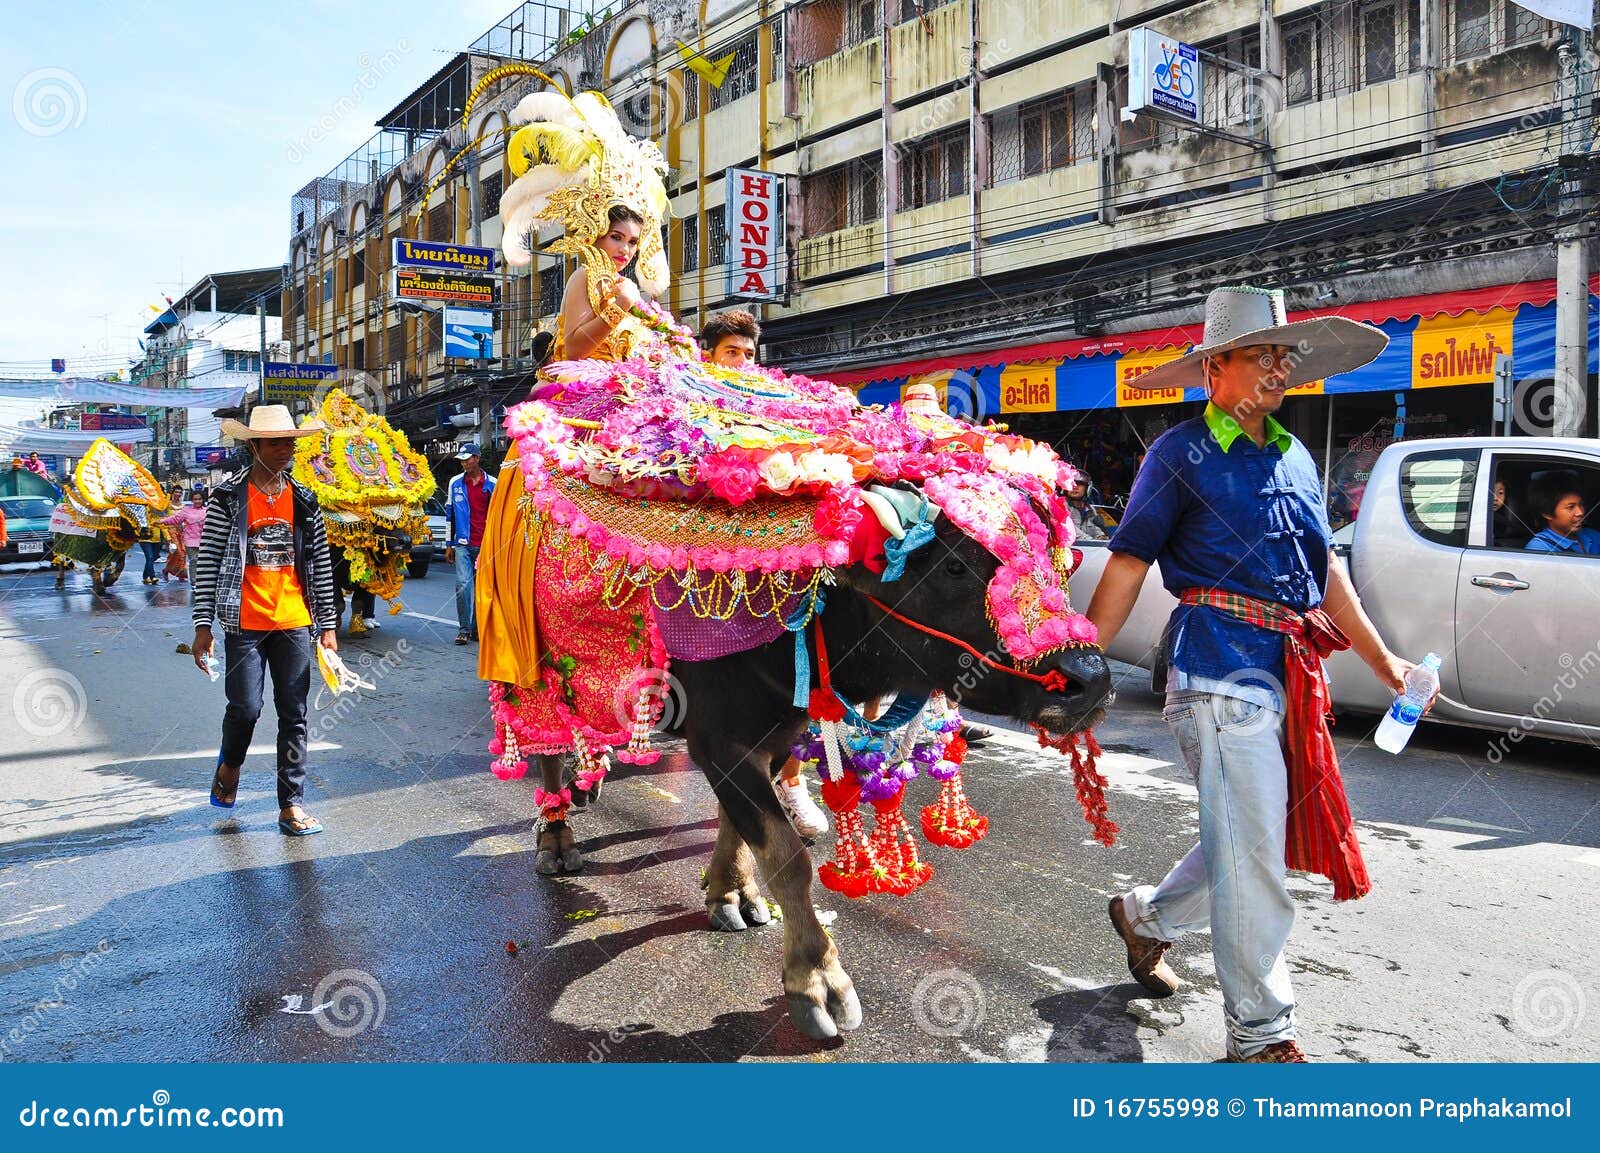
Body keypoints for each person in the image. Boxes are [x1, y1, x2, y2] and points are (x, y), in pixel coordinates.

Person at [1086, 286, 1415, 1063]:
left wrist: (1384, 661)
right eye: (1260, 353)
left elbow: (1325, 573)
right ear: (1215, 370)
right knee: (1254, 846)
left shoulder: (1297, 455)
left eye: (1284, 354)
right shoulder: (1177, 453)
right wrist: (1081, 661)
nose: (1278, 366)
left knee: (1248, 838)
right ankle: (1262, 1032)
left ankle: (1145, 917)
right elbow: (1130, 559)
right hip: (1212, 668)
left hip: (1287, 673)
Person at [190, 405, 339, 838]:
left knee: (293, 714)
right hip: (244, 623)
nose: (285, 451)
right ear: (254, 445)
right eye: (275, 443)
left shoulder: (305, 499)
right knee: (246, 708)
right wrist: (203, 625)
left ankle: (291, 805)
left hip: (294, 620)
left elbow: (321, 567)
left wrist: (327, 627)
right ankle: (231, 763)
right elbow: (210, 562)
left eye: (290, 443)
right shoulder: (227, 498)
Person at [445, 443, 494, 645]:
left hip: (486, 544)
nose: (464, 463)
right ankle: (464, 629)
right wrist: (449, 543)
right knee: (463, 585)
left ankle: (477, 628)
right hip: (463, 543)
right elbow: (450, 513)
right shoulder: (455, 483)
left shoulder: (493, 484)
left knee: (483, 589)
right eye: (462, 460)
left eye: (467, 459)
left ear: (477, 458)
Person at [1524, 474, 1600, 554]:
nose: (1580, 512)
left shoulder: (1591, 534)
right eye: (1571, 507)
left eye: (1581, 504)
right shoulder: (1539, 549)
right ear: (1547, 514)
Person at [162, 489, 207, 581]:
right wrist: (161, 521)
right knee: (194, 561)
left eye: (199, 499)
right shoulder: (187, 510)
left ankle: (202, 582)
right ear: (192, 500)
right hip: (190, 541)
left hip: (204, 541)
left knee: (203, 563)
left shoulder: (208, 511)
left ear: (203, 500)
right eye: (195, 499)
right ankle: (194, 582)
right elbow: (175, 519)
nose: (197, 501)